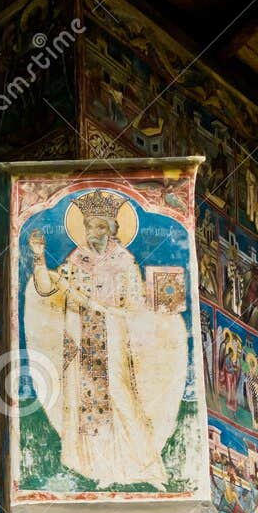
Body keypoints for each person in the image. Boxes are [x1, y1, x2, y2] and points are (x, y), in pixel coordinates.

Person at [22, 189, 188, 486]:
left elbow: (134, 304)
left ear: (111, 228)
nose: (92, 232)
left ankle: (141, 464)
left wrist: (105, 307)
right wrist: (38, 256)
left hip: (111, 336)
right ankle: (101, 468)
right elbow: (47, 288)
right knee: (87, 404)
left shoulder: (124, 262)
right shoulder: (77, 259)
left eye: (99, 226)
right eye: (88, 226)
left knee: (118, 396)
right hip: (80, 338)